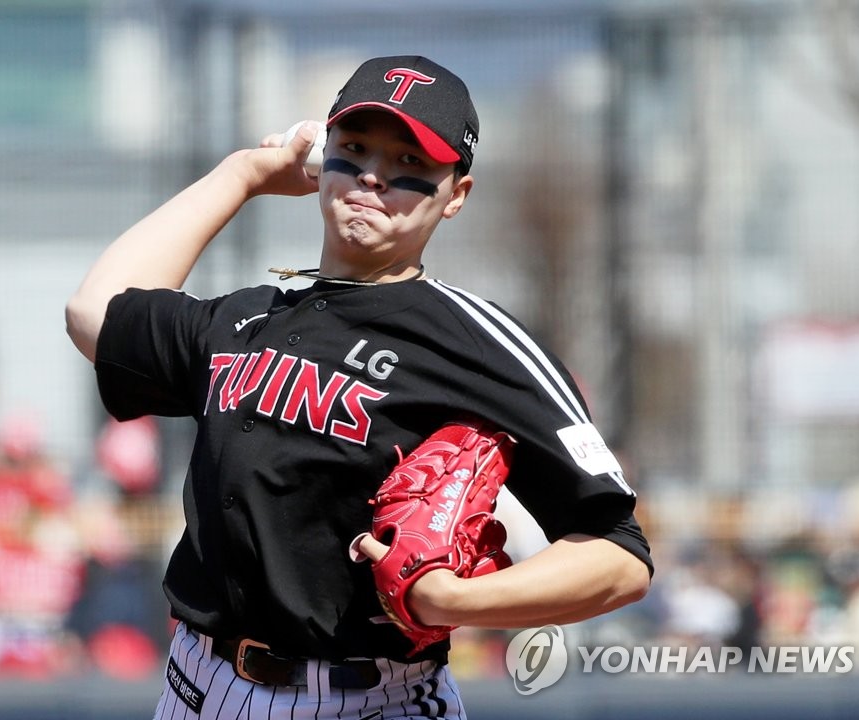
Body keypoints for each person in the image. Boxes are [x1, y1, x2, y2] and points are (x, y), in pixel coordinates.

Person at [66, 55, 652, 719]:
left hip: (372, 700)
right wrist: (245, 174)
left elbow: (620, 556)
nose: (374, 175)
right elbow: (96, 313)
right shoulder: (248, 317)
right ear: (321, 162)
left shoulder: (477, 343)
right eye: (353, 149)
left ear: (455, 193)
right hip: (198, 687)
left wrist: (458, 603)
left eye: (410, 162)